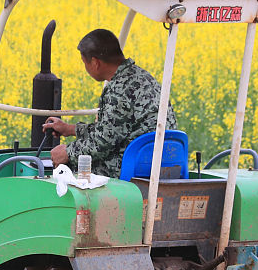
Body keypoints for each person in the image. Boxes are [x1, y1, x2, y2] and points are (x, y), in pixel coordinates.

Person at [43, 28, 177, 177]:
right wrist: (71, 129)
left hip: (134, 168)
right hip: (162, 162)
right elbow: (114, 129)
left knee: (68, 170)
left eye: (84, 63)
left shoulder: (120, 88)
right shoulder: (141, 77)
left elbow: (102, 143)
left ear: (95, 63)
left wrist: (67, 152)